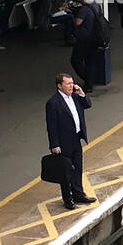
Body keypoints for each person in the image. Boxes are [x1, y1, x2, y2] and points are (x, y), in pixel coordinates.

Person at [45, 74, 96, 210]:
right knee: (65, 171)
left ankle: (78, 194)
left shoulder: (75, 96)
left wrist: (82, 94)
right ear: (59, 86)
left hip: (76, 138)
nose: (71, 86)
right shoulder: (53, 103)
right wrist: (54, 145)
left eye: (72, 83)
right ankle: (68, 199)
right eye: (68, 84)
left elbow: (87, 105)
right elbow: (51, 126)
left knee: (78, 167)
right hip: (63, 142)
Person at [70, 0, 101, 92]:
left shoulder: (84, 9)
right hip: (95, 38)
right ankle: (90, 83)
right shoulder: (96, 6)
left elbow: (78, 22)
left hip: (84, 39)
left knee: (76, 60)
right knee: (90, 62)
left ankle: (87, 79)